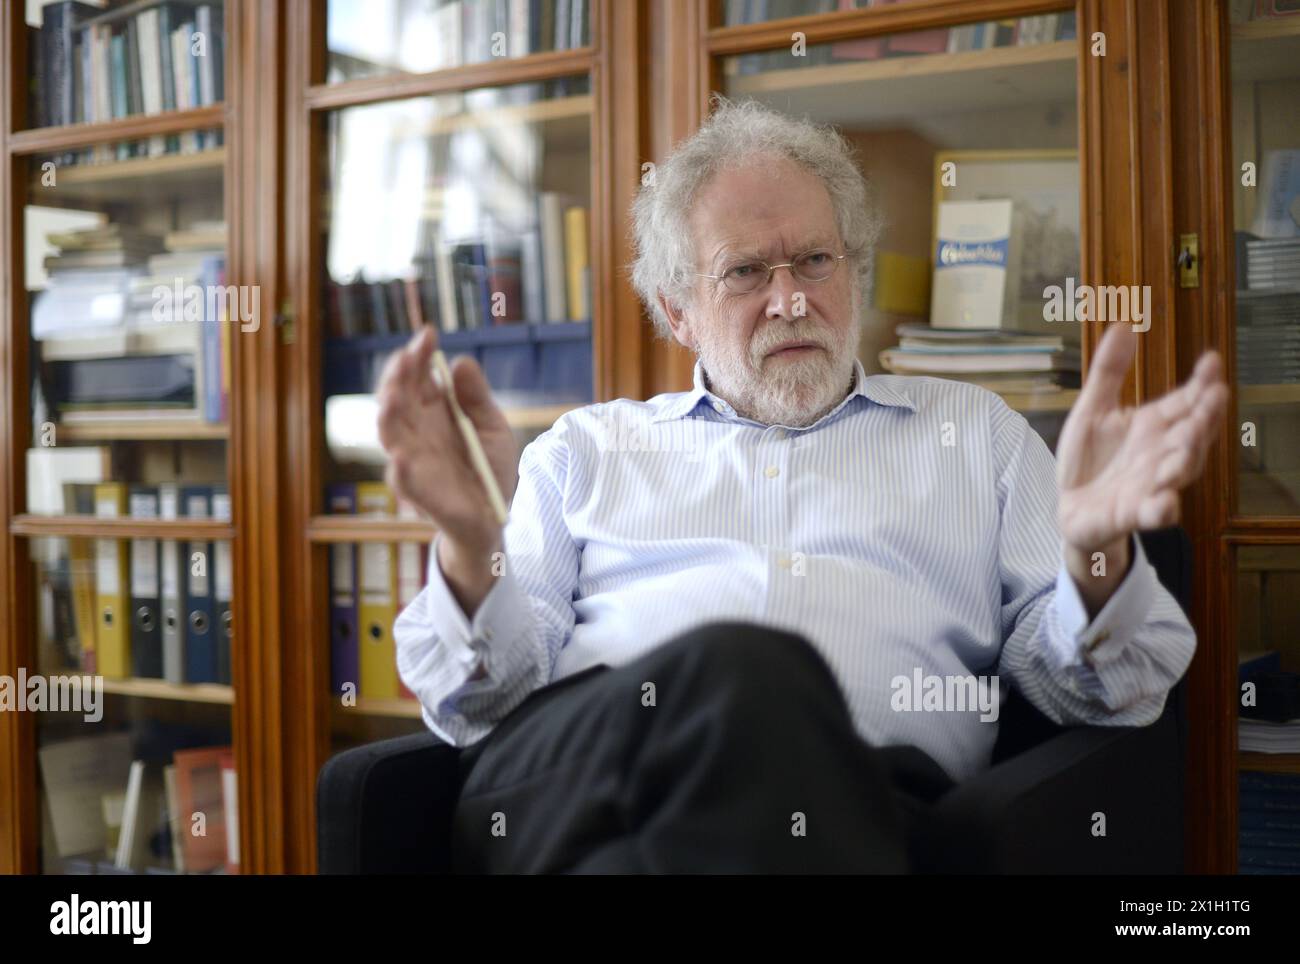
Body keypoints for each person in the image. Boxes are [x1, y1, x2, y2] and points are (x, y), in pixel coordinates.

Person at [375, 97, 1228, 873]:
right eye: (746, 271)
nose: (789, 302)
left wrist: (1095, 555)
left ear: (852, 273)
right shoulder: (583, 451)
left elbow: (1107, 691)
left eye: (814, 260)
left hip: (858, 808)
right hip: (580, 788)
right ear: (678, 311)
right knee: (745, 669)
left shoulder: (975, 435)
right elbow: (476, 706)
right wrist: (467, 548)